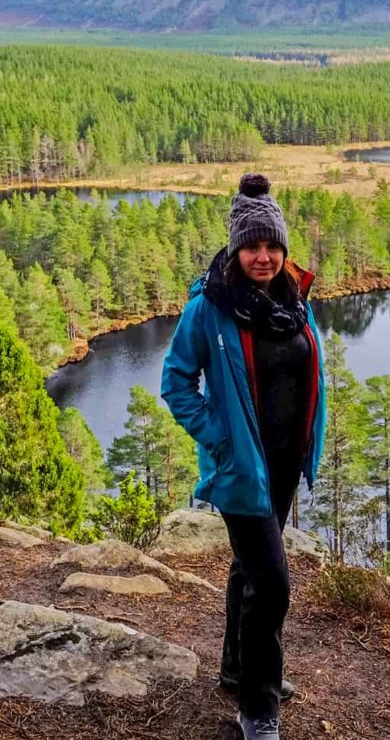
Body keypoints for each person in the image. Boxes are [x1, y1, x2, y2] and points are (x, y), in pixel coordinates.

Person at [161, 173, 328, 740]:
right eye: (252, 246)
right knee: (275, 584)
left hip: (283, 464)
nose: (263, 256)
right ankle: (258, 706)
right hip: (241, 468)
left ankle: (237, 667)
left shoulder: (294, 301)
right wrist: (221, 438)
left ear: (284, 249)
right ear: (236, 249)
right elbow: (177, 383)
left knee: (251, 571)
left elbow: (306, 371)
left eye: (272, 246)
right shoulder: (210, 309)